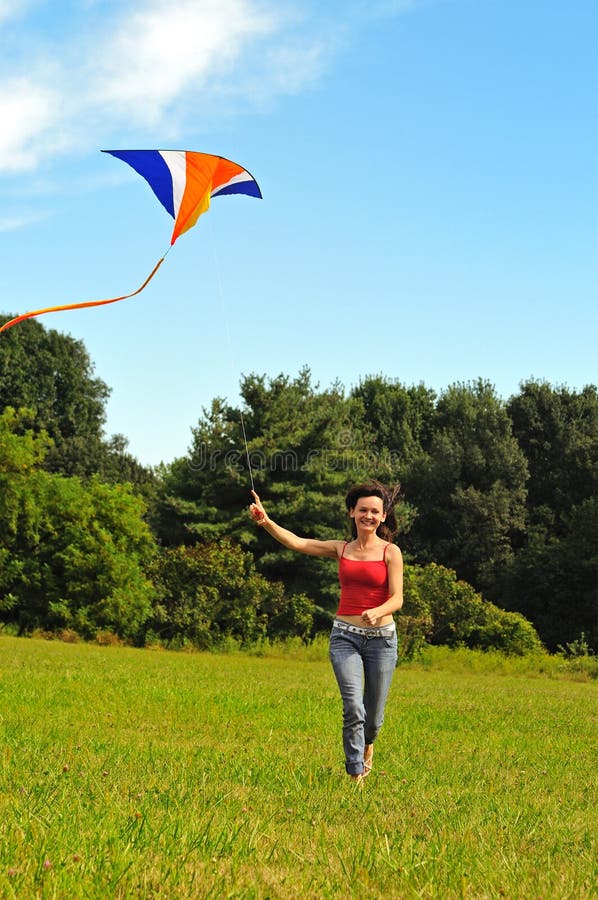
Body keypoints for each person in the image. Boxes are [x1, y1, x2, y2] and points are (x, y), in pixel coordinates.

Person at [249, 480, 403, 784]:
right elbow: (297, 542)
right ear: (352, 513)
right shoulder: (341, 549)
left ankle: (368, 744)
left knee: (372, 720)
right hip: (345, 637)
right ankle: (355, 772)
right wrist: (266, 522)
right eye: (362, 510)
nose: (368, 515)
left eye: (374, 511)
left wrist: (379, 610)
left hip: (381, 641)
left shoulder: (391, 552)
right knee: (352, 706)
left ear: (383, 516)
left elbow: (398, 598)